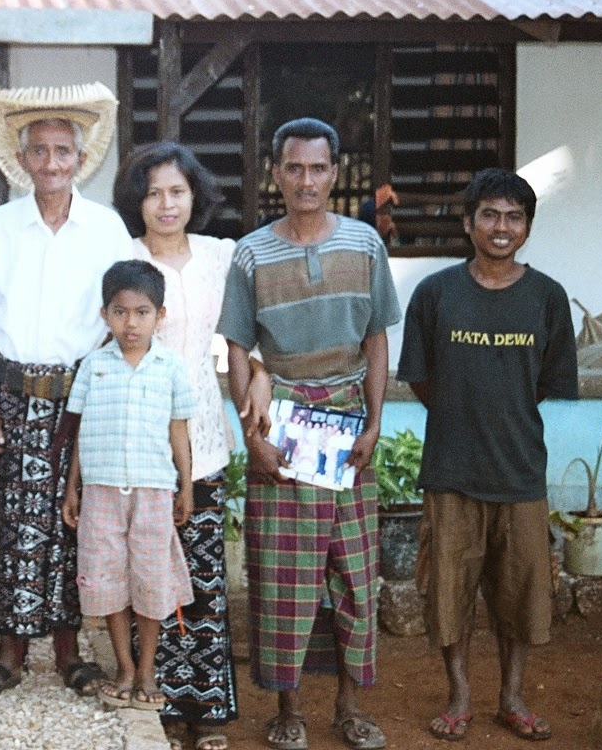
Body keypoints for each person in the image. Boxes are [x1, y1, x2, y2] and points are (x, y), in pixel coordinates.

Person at [219, 117, 401, 750]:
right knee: (286, 574)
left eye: (317, 168)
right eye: (293, 168)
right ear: (276, 173)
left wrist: (376, 423)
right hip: (285, 418)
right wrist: (253, 434)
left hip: (349, 414)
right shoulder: (251, 253)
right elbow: (240, 347)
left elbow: (377, 337)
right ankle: (289, 707)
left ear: (335, 172)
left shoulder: (365, 244)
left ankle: (349, 708)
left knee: (354, 571)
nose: (305, 181)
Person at [395, 169, 578, 743]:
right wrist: (463, 415)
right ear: (468, 222)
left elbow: (544, 382)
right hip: (451, 469)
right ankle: (459, 696)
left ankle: (513, 697)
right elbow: (422, 379)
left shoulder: (546, 297)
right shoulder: (436, 293)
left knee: (522, 593)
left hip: (521, 471)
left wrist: (503, 412)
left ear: (527, 226)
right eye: (491, 215)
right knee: (449, 592)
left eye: (514, 216)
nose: (502, 228)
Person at [0, 82, 132, 701]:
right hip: (10, 395)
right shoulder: (0, 226)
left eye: (64, 151)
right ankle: (9, 656)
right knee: (9, 524)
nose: (53, 163)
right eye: (41, 151)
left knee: (72, 523)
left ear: (80, 159)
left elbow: (118, 323)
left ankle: (69, 653)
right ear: (23, 158)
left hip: (78, 398)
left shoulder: (106, 229)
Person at [117, 141, 241, 749]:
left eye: (176, 191)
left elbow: (246, 331)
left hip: (206, 438)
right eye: (152, 192)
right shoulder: (123, 257)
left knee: (205, 576)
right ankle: (163, 698)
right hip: (141, 439)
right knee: (151, 575)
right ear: (136, 201)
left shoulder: (222, 256)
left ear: (195, 196)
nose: (165, 204)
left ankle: (209, 708)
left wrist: (262, 375)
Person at [62, 260, 196, 712]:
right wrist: (72, 488)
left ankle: (147, 670)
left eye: (142, 312)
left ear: (160, 315)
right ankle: (122, 665)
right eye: (120, 312)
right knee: (109, 579)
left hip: (154, 490)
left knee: (150, 580)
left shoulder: (171, 366)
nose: (131, 322)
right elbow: (80, 433)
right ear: (105, 315)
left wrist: (187, 487)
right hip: (100, 491)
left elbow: (179, 430)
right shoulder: (93, 367)